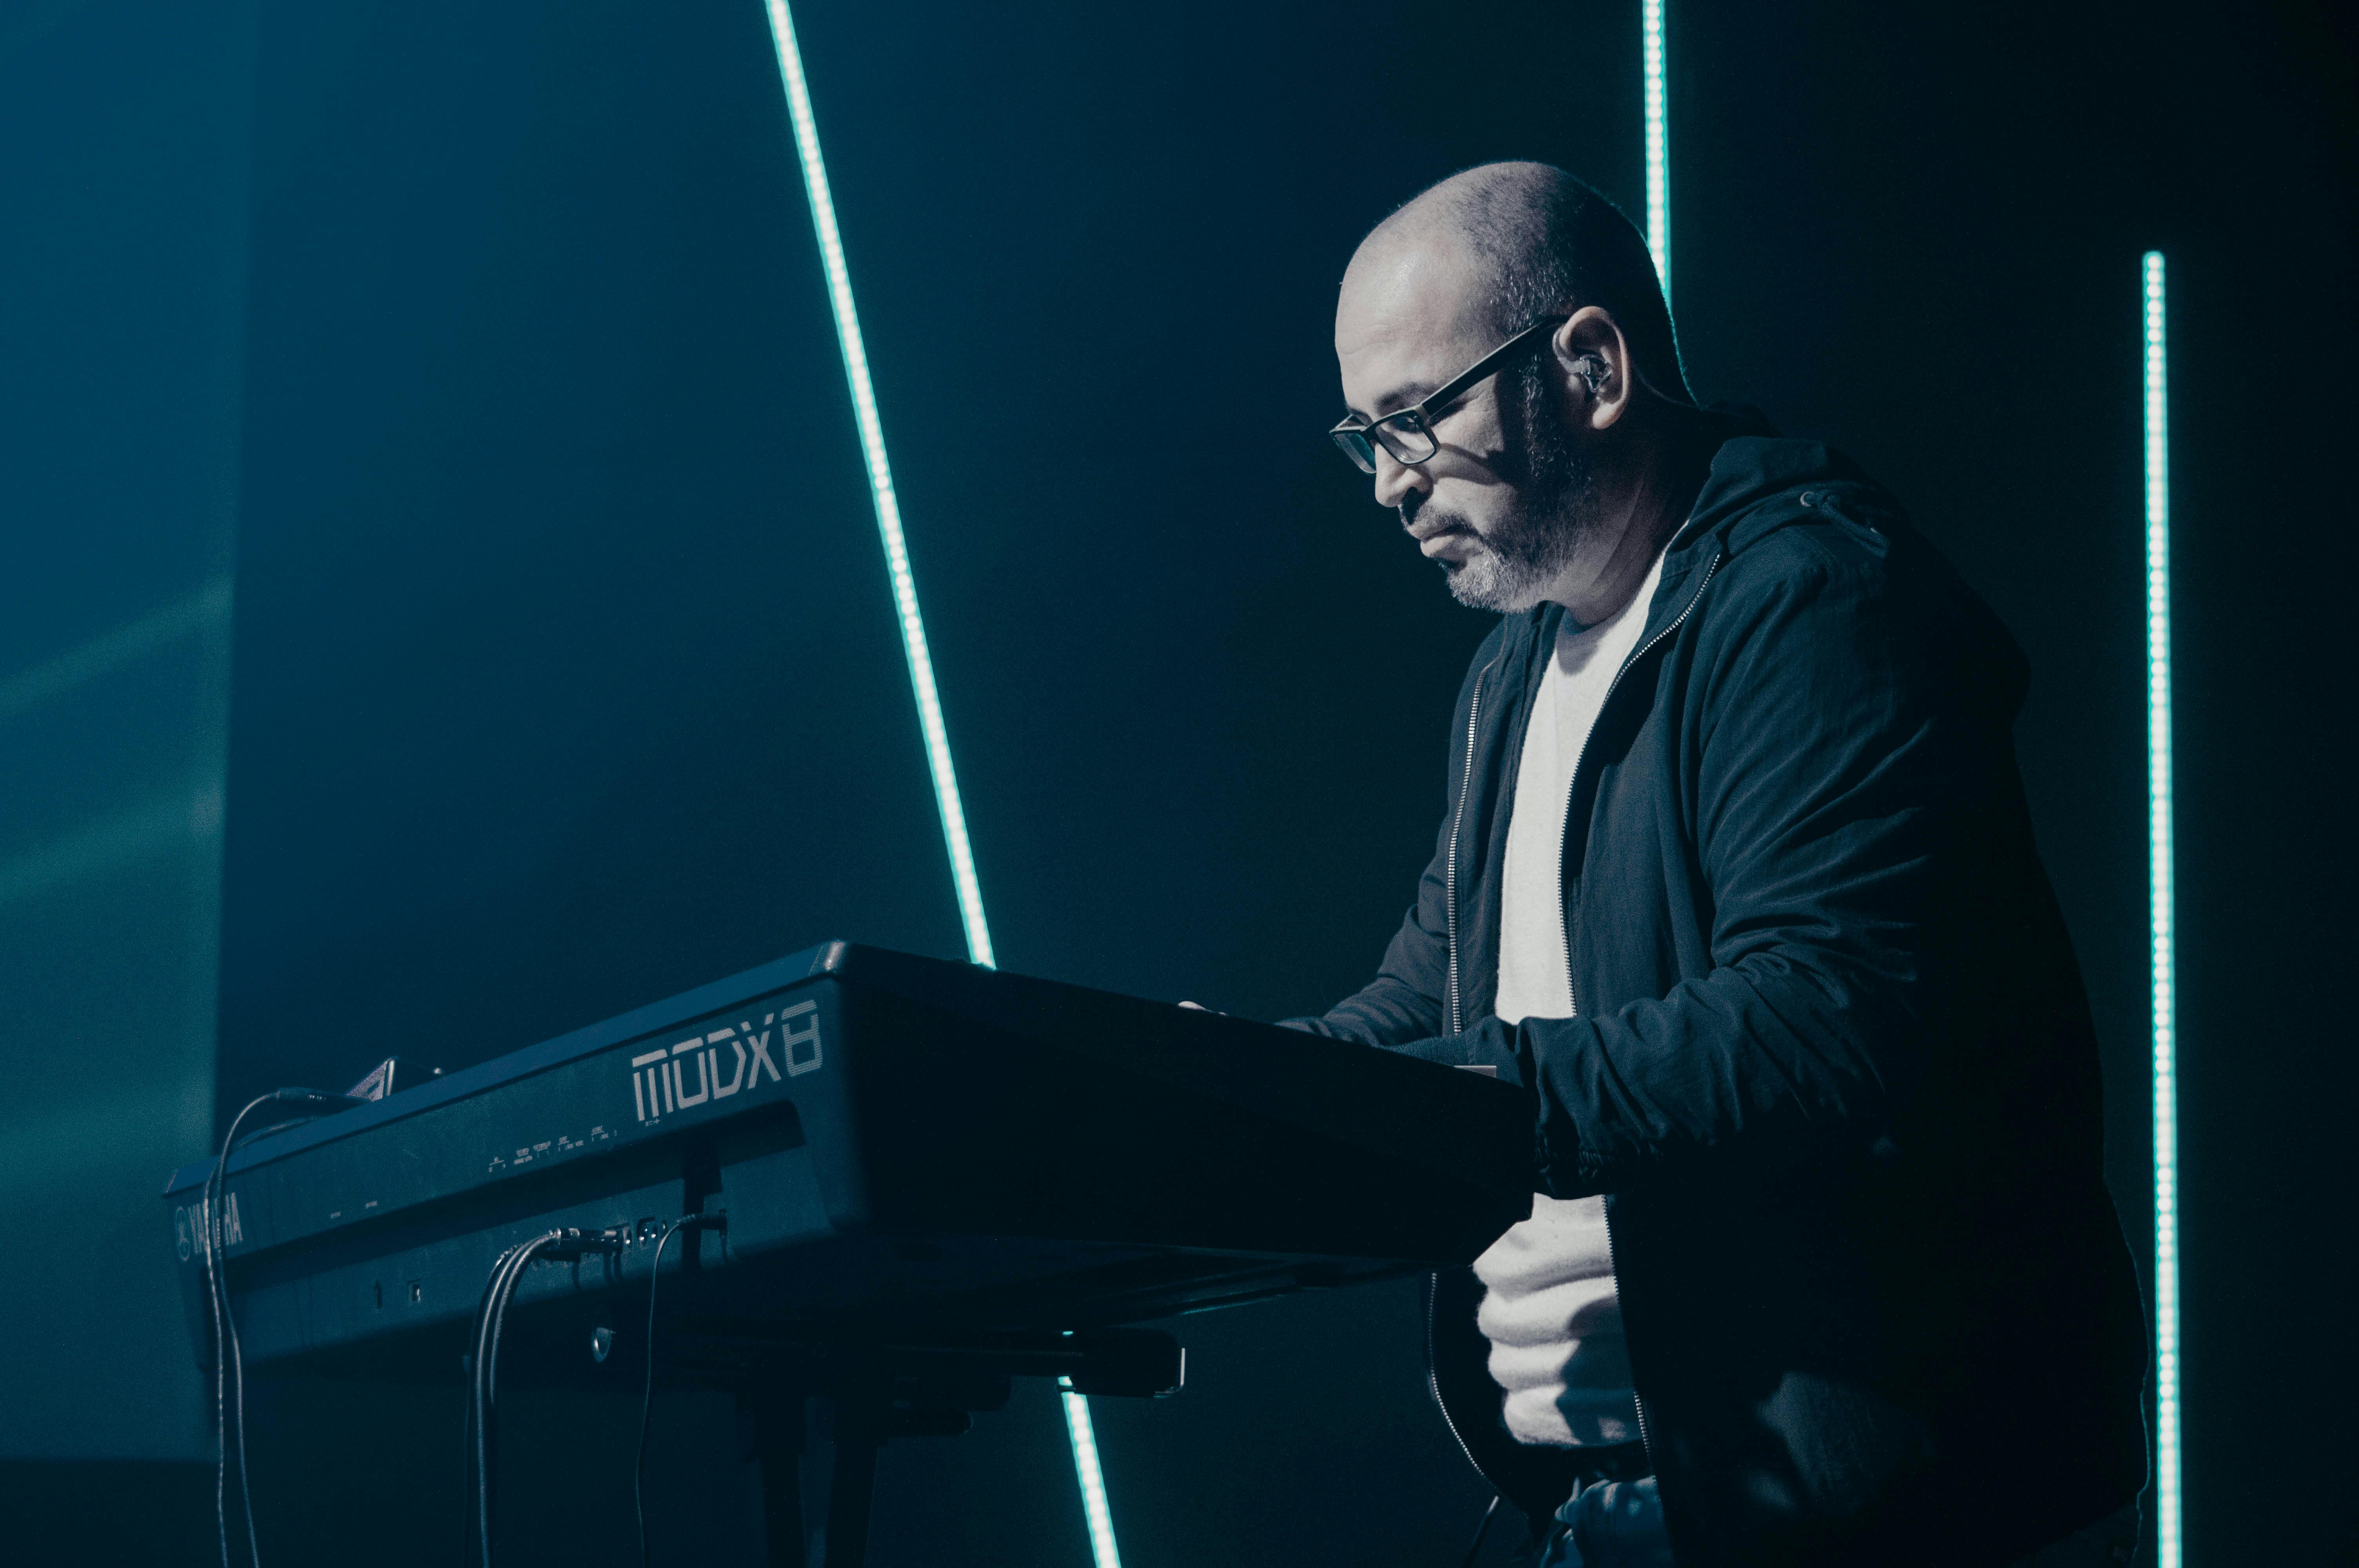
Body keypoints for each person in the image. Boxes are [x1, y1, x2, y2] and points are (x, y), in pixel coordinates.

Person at [1284, 163, 2149, 1565]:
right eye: (1363, 437)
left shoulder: (1818, 599)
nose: (1389, 482)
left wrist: (1461, 1105)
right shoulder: (1510, 674)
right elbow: (1425, 1002)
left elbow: (1820, 1015)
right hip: (1631, 1510)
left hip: (1880, 1525)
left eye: (1416, 418)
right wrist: (1216, 1095)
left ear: (1592, 369)